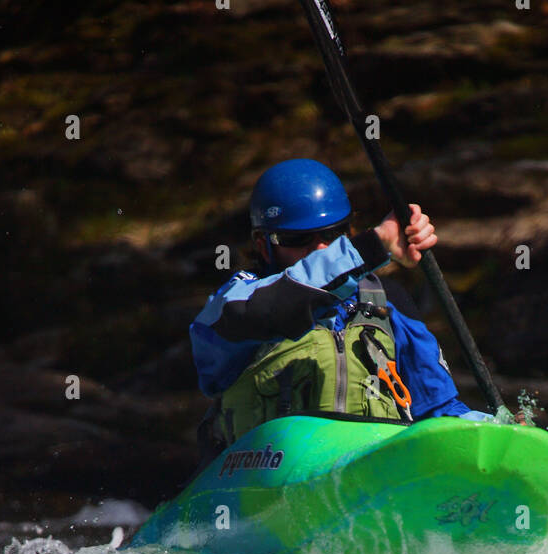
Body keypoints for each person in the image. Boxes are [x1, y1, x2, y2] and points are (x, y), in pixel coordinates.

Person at [190, 159, 493, 456]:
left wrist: (499, 434)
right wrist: (376, 245)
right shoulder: (235, 303)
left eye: (333, 234)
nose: (322, 248)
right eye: (299, 239)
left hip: (365, 478)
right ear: (262, 243)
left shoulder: (387, 302)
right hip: (260, 479)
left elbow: (438, 410)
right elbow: (277, 309)